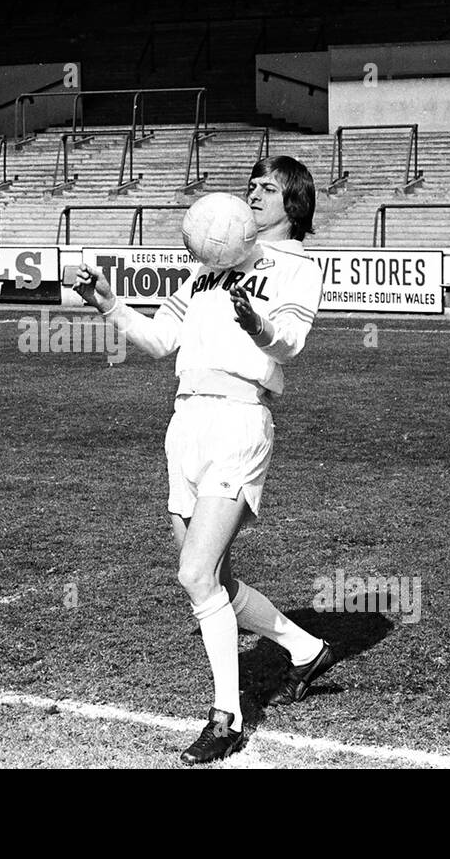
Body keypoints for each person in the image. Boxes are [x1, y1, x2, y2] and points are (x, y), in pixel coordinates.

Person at [73, 155, 337, 765]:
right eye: (250, 186)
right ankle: (304, 648)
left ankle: (227, 717)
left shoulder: (298, 267)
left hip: (240, 419)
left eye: (267, 189)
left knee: (194, 573)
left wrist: (258, 324)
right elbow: (160, 342)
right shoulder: (205, 267)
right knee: (209, 576)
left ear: (292, 203)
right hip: (185, 421)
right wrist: (108, 305)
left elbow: (290, 345)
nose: (253, 195)